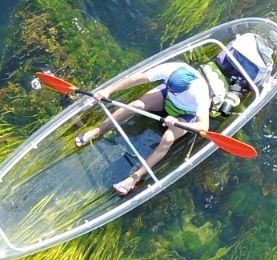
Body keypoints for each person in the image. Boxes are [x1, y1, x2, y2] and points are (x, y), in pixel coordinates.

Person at [74, 62, 212, 196]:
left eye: (173, 89)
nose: (169, 88)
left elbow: (203, 126)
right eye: (168, 85)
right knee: (136, 105)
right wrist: (108, 90)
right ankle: (98, 130)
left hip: (186, 114)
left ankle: (136, 177)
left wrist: (176, 123)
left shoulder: (199, 93)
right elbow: (137, 78)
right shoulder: (171, 68)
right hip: (167, 99)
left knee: (168, 138)